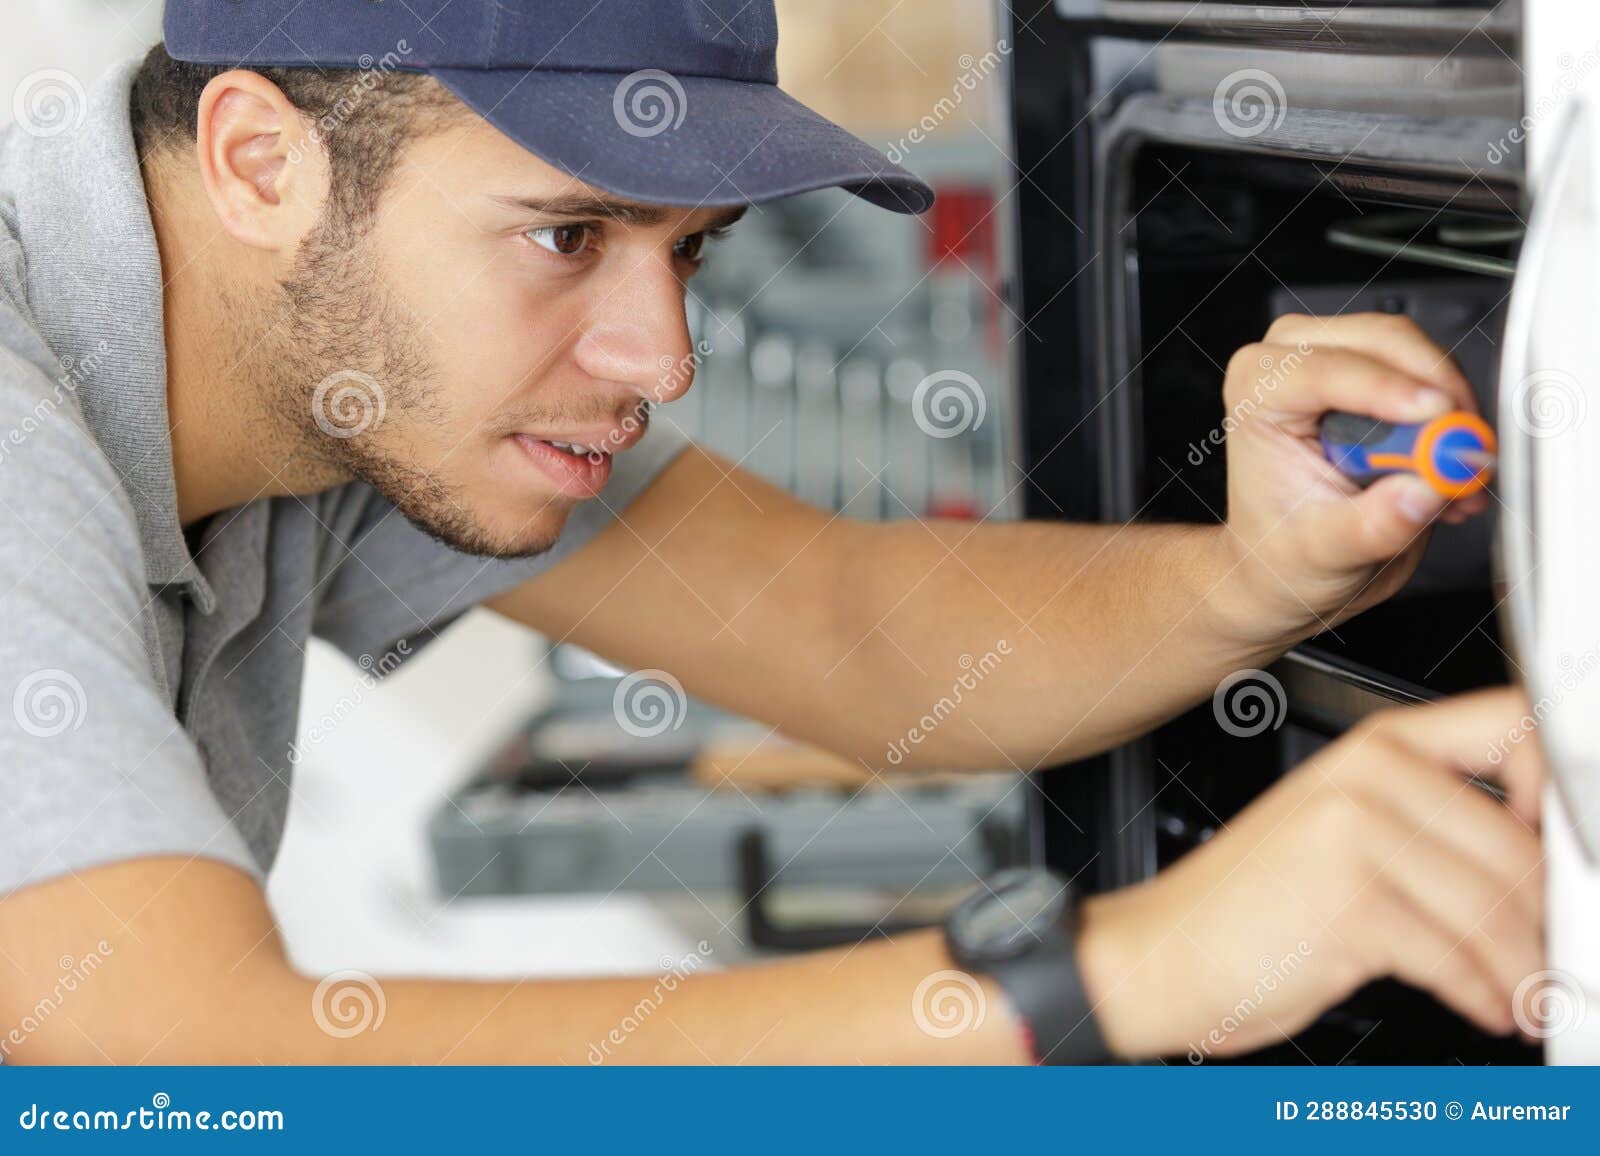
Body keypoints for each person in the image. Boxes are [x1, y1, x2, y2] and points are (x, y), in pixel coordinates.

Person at [0, 0, 1540, 1064]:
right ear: (260, 161)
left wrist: (1256, 572)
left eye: (692, 252)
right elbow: (185, 1069)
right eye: (568, 233)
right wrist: (1134, 972)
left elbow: (842, 620)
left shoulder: (330, 389)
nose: (663, 362)